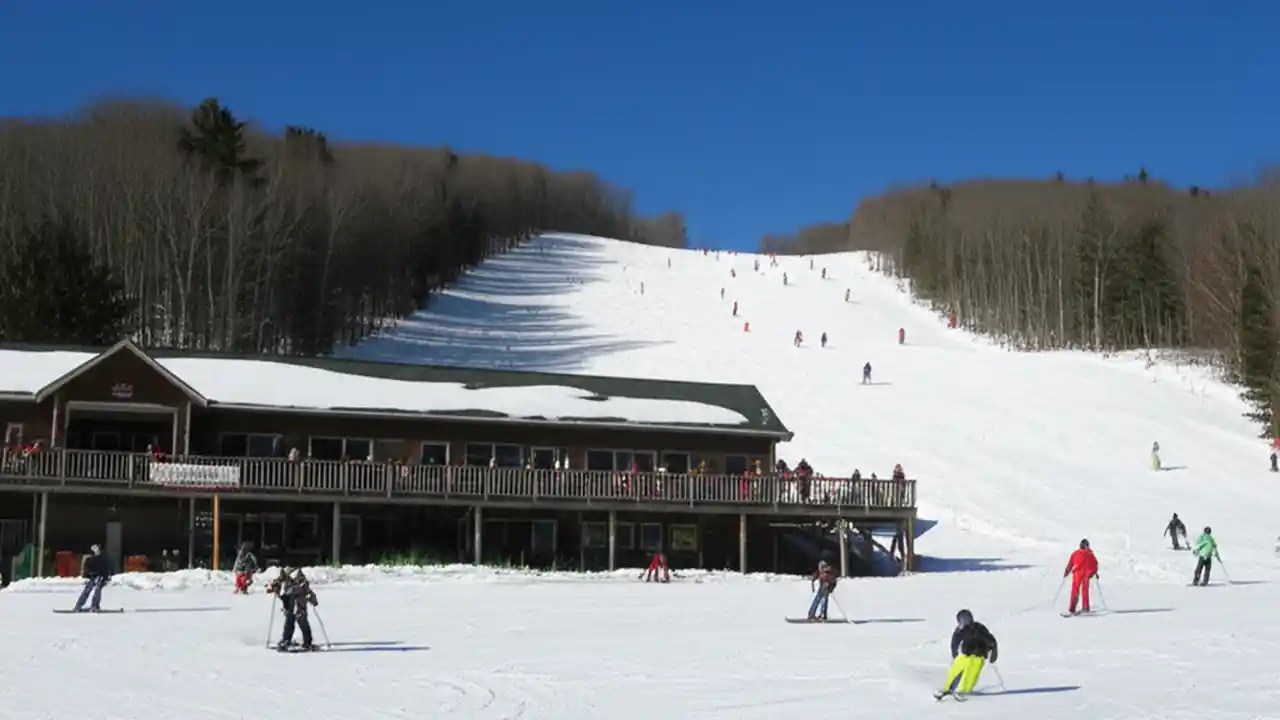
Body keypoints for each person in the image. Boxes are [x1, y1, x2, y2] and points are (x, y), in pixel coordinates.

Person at [935, 609, 998, 700]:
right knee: (954, 670)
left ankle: (963, 690)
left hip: (979, 656)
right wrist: (954, 653)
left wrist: (994, 653)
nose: (964, 622)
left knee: (971, 673)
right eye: (962, 620)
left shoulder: (979, 628)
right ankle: (948, 688)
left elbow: (991, 640)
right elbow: (955, 642)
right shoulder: (960, 630)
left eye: (966, 619)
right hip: (966, 654)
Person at [73, 544, 114, 613]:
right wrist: (88, 574)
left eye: (95, 548)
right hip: (93, 576)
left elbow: (109, 566)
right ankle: (78, 606)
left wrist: (108, 575)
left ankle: (95, 606)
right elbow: (88, 568)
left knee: (97, 589)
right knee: (87, 590)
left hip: (102, 576)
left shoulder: (104, 556)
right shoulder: (92, 557)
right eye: (93, 549)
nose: (94, 550)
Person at [1063, 539, 1099, 615]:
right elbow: (1095, 564)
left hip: (1080, 574)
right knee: (1084, 591)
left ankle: (1073, 608)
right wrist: (1094, 572)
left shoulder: (1077, 553)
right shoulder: (1089, 554)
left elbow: (1070, 563)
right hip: (1083, 574)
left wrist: (1067, 571)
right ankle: (1084, 607)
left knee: (1076, 591)